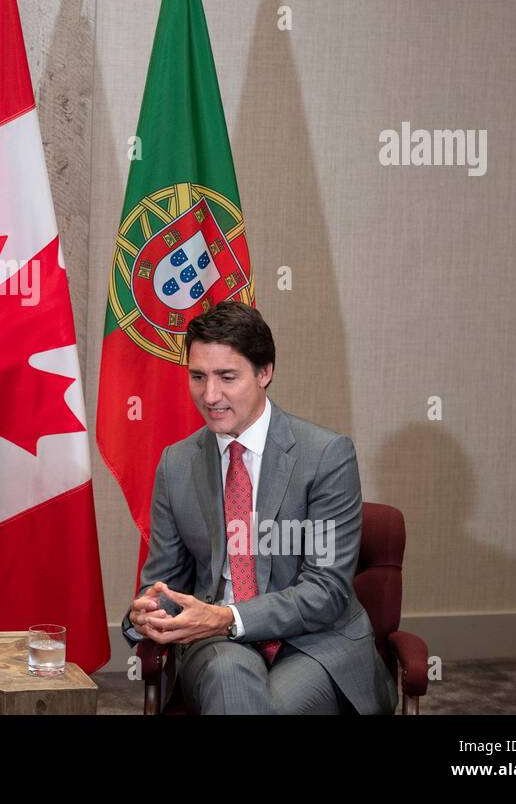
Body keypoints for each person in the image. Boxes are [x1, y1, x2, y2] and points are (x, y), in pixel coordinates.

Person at [122, 302, 396, 714]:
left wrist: (226, 616)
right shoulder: (176, 464)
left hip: (315, 644)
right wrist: (147, 610)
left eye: (227, 377)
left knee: (262, 706)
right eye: (198, 377)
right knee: (230, 678)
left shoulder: (325, 455)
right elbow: (163, 579)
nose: (210, 395)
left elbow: (326, 592)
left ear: (264, 371)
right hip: (214, 646)